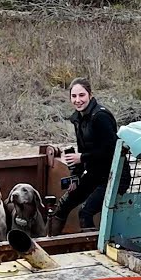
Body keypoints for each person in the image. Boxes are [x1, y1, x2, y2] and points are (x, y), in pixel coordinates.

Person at [46, 77, 129, 235]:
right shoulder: (78, 118)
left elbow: (112, 150)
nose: (78, 100)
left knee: (85, 212)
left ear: (90, 95)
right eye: (74, 96)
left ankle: (91, 250)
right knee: (63, 204)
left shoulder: (100, 117)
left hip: (115, 176)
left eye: (82, 95)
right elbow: (83, 150)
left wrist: (82, 158)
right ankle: (47, 245)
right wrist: (75, 176)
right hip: (95, 173)